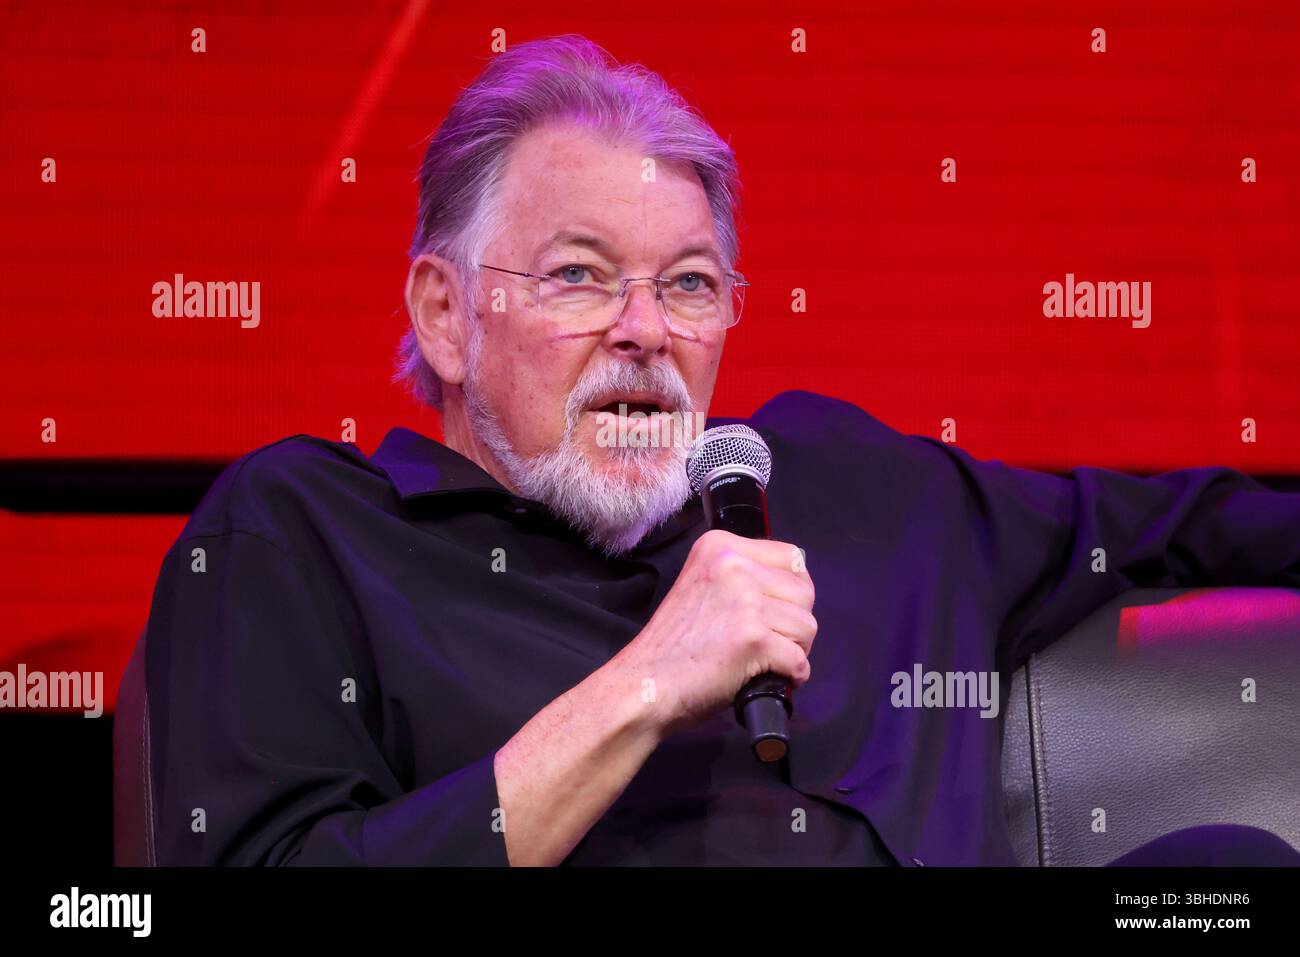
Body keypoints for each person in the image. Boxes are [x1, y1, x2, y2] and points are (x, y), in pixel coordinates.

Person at [138, 34, 1300, 866]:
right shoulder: (301, 532)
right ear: (445, 315)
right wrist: (650, 680)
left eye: (689, 285)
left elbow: (1197, 523)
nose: (645, 331)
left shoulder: (866, 494)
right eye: (580, 275)